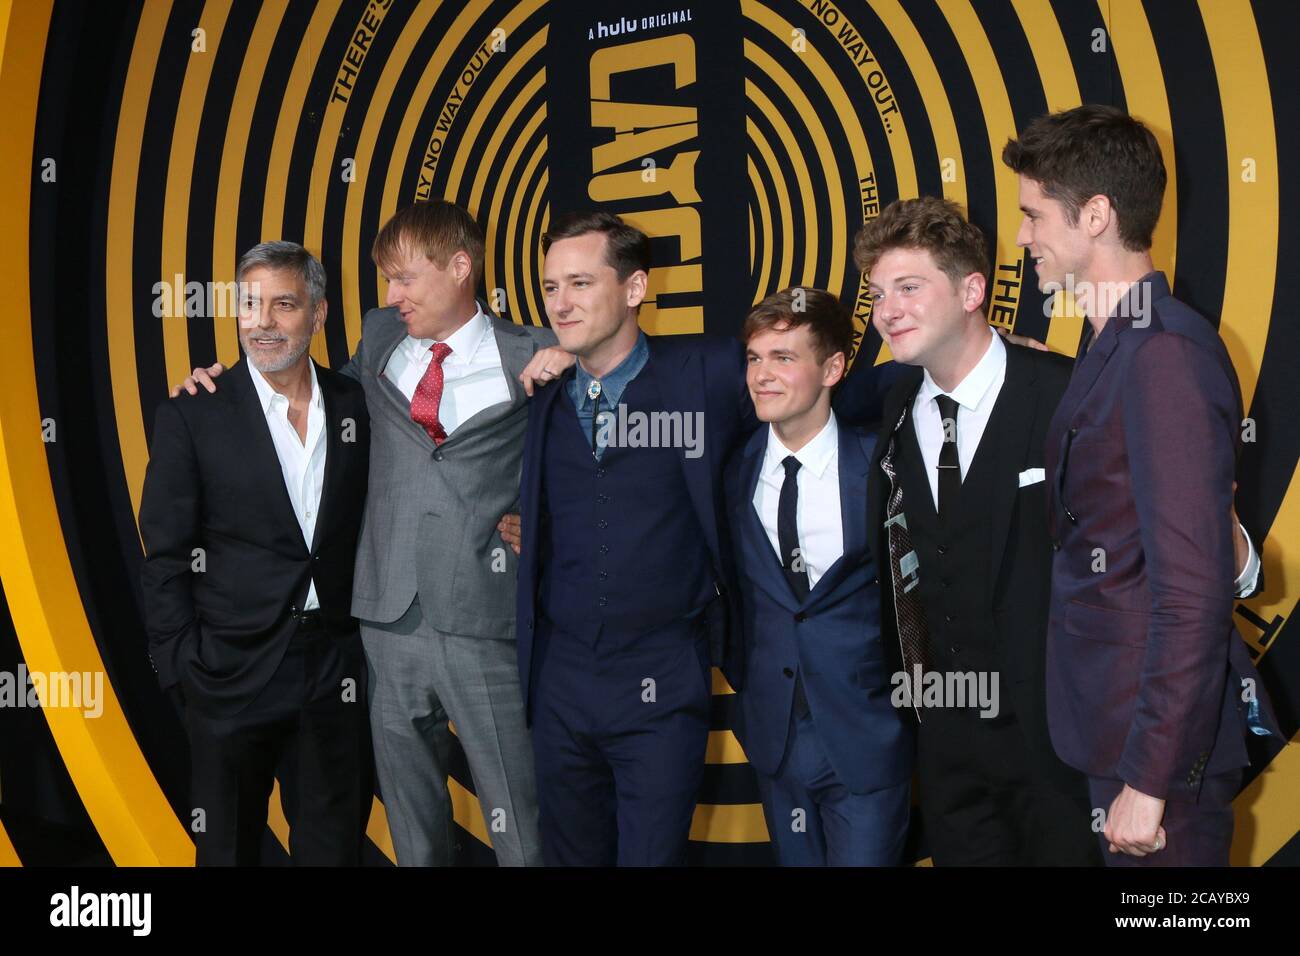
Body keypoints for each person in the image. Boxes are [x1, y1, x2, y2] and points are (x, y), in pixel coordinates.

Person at [173, 201, 566, 866]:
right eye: (388, 280)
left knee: (520, 825)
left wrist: (548, 520)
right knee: (413, 828)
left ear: (460, 268)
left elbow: (593, 462)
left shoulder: (533, 357)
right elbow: (309, 393)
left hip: (484, 620)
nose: (391, 295)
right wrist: (223, 382)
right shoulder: (381, 338)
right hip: (384, 627)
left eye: (405, 278)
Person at [1004, 104, 1278, 865]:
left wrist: (1151, 778)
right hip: (1113, 729)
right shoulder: (1115, 342)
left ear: (1095, 215)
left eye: (1033, 215)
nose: (1022, 236)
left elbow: (1192, 591)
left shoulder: (1162, 357)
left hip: (1157, 760)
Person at [853, 198, 1101, 865]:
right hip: (945, 742)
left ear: (972, 291)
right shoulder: (894, 406)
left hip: (1058, 741)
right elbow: (784, 384)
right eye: (878, 293)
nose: (887, 309)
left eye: (908, 287)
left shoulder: (1062, 392)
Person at [512, 210, 759, 865]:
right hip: (561, 679)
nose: (561, 303)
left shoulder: (706, 372)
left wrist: (990, 354)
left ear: (634, 288)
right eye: (551, 287)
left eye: (581, 284)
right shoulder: (546, 391)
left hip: (660, 677)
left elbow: (817, 386)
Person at [141, 241, 371, 865]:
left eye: (283, 304)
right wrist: (185, 668)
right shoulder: (193, 412)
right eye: (249, 304)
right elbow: (163, 553)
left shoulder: (356, 406)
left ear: (319, 315)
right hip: (229, 671)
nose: (262, 322)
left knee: (334, 849)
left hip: (334, 669)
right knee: (226, 851)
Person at [725, 287, 912, 865]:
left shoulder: (882, 465)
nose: (762, 375)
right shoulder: (733, 468)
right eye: (755, 358)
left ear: (833, 368)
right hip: (774, 737)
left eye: (784, 358)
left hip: (868, 736)